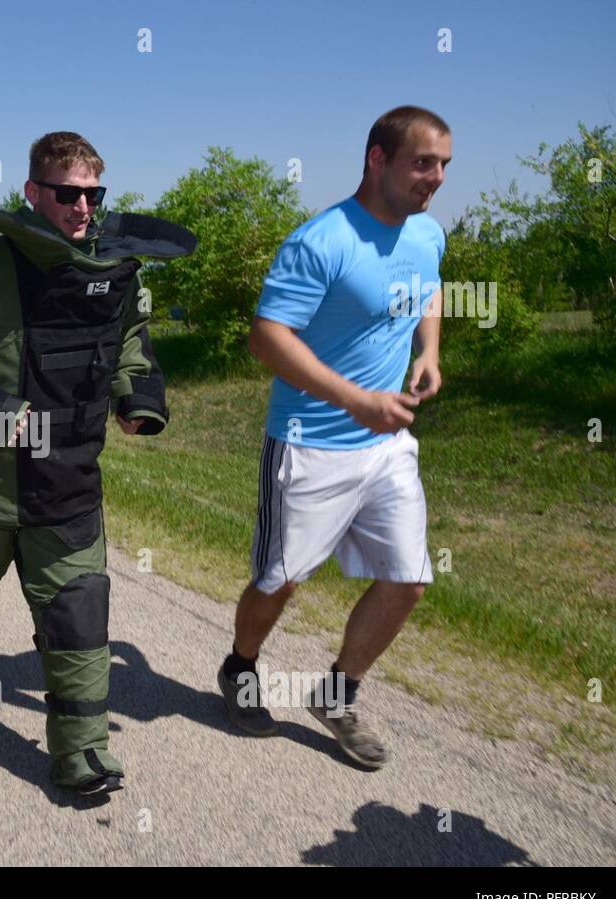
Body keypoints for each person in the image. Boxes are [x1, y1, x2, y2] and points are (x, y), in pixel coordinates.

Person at [0, 131, 196, 796]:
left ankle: (81, 752)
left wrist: (136, 398)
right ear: (33, 192)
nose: (83, 207)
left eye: (93, 194)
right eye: (68, 193)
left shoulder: (113, 271)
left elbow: (130, 343)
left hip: (69, 480)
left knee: (78, 612)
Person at [217, 106, 450, 770]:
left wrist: (428, 351)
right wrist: (356, 400)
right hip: (309, 443)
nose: (434, 178)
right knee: (281, 579)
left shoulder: (425, 233)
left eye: (443, 166)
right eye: (422, 162)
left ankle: (337, 692)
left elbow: (429, 289)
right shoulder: (321, 241)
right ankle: (240, 668)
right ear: (377, 158)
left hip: (386, 447)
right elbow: (267, 338)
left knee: (406, 580)